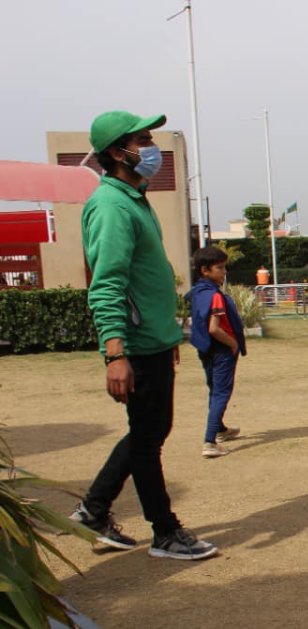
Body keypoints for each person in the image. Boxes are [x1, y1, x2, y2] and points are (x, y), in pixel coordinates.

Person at [68, 110, 218, 561]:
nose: (152, 149)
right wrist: (115, 353)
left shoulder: (133, 197)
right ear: (118, 153)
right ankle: (165, 532)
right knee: (148, 436)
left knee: (149, 431)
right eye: (143, 140)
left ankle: (94, 510)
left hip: (152, 340)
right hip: (133, 344)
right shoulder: (112, 206)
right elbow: (107, 283)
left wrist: (165, 336)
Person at [185, 246, 247, 459]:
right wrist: (232, 344)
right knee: (222, 392)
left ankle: (219, 429)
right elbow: (214, 328)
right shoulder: (215, 296)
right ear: (205, 270)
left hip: (206, 349)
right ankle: (210, 441)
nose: (224, 272)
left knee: (214, 388)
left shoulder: (196, 292)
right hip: (222, 349)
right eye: (219, 268)